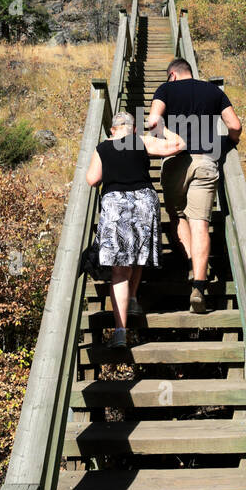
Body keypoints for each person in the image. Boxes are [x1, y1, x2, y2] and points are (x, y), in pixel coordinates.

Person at [145, 58, 242, 314]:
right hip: (207, 162)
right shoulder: (213, 91)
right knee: (201, 222)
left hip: (176, 162)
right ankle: (199, 285)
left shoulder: (166, 89)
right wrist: (228, 144)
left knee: (178, 215)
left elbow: (152, 122)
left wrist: (169, 140)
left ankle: (190, 260)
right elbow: (235, 125)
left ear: (172, 76)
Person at [86, 110, 185, 347]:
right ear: (132, 129)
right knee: (138, 254)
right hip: (144, 202)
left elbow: (92, 179)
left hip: (115, 205)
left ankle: (120, 331)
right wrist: (161, 128)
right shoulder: (141, 141)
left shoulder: (102, 148)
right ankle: (131, 298)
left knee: (120, 270)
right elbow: (178, 144)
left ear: (112, 130)